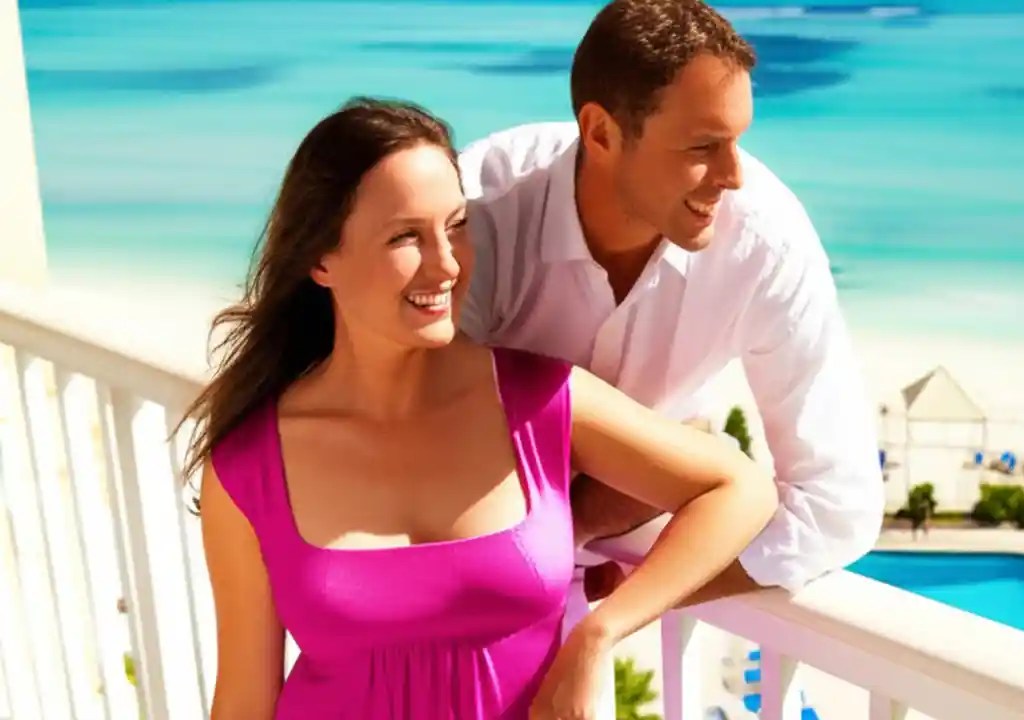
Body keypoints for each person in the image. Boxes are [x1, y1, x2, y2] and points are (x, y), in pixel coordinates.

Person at [181, 97, 776, 720]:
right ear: (320, 259)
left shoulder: (538, 401)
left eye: (457, 225)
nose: (446, 264)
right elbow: (245, 701)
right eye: (405, 236)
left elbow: (736, 488)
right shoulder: (250, 469)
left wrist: (599, 637)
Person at [459, 0, 884, 605]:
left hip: (562, 584)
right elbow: (411, 437)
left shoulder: (766, 244)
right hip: (447, 585)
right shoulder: (475, 213)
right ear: (601, 132)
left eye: (737, 139)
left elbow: (838, 507)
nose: (734, 175)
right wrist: (628, 481)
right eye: (702, 147)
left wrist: (632, 593)